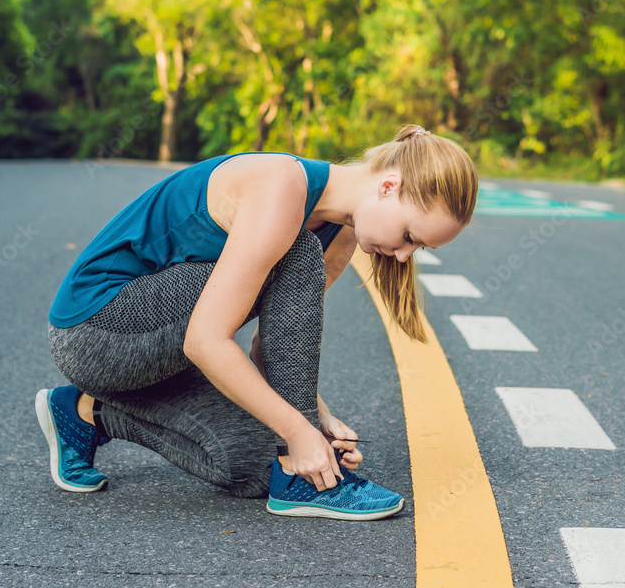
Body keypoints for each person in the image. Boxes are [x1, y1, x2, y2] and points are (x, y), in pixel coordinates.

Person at [36, 124, 479, 521]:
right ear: (388, 185)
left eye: (416, 249)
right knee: (299, 256)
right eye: (408, 237)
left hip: (154, 344)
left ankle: (84, 412)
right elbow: (206, 342)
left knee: (251, 464)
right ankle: (299, 475)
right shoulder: (282, 188)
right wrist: (296, 432)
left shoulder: (343, 233)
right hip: (98, 328)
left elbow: (271, 346)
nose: (403, 256)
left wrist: (315, 422)